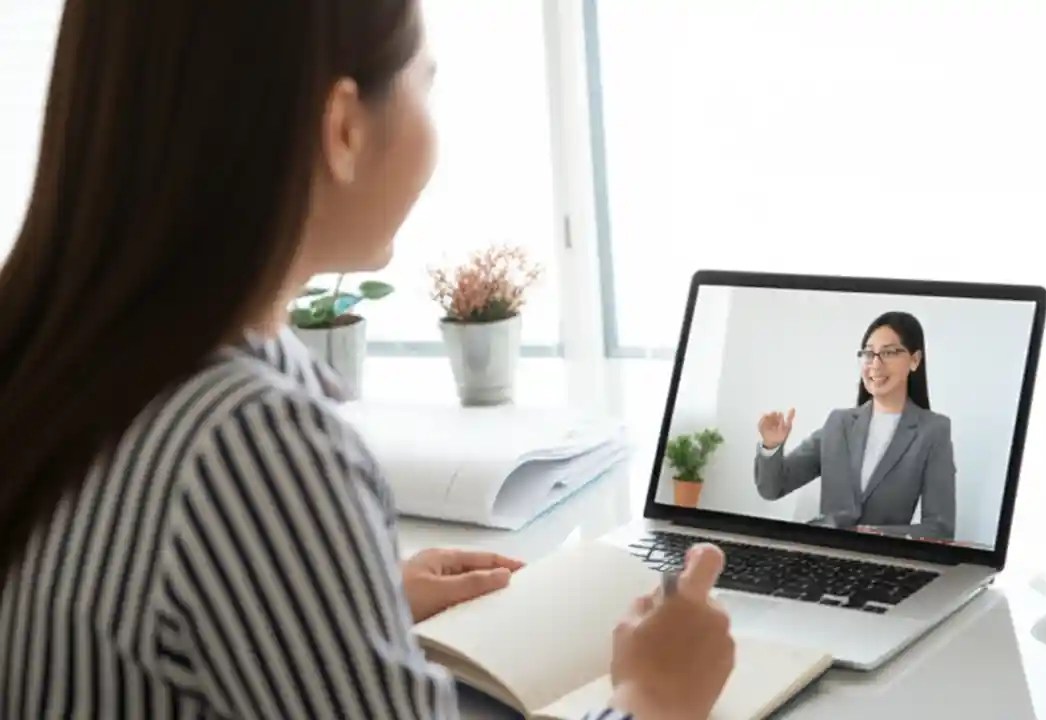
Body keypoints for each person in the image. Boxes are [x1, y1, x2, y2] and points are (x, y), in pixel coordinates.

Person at [0, 1, 733, 718]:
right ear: (345, 128)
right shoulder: (254, 445)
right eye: (426, 83)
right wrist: (654, 698)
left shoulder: (72, 363)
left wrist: (343, 602)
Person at [753, 311, 956, 540]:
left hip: (880, 555)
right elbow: (772, 488)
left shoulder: (933, 430)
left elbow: (940, 528)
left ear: (914, 360)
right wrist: (771, 446)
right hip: (823, 548)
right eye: (869, 353)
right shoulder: (839, 423)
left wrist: (875, 535)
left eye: (888, 353)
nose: (875, 364)